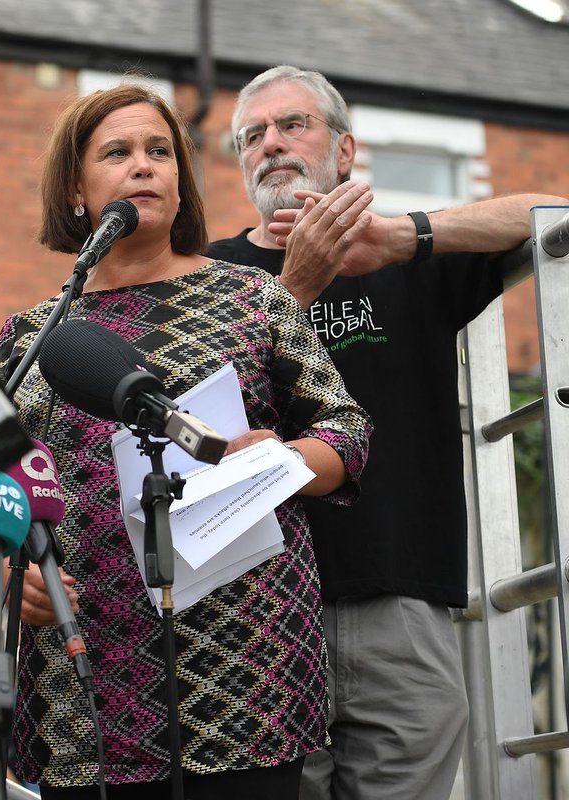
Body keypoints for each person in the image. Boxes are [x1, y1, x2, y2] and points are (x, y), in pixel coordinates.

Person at [0, 82, 372, 799]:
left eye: (160, 151)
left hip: (249, 665)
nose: (144, 165)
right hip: (88, 679)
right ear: (75, 189)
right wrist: (13, 570)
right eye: (117, 153)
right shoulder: (33, 335)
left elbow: (347, 430)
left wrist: (283, 459)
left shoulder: (253, 298)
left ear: (180, 179)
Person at [206, 64, 567, 800]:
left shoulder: (406, 261)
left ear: (344, 150)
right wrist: (293, 284)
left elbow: (552, 213)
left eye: (292, 124)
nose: (270, 143)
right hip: (258, 607)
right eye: (252, 135)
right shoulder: (210, 277)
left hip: (402, 600)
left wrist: (404, 236)